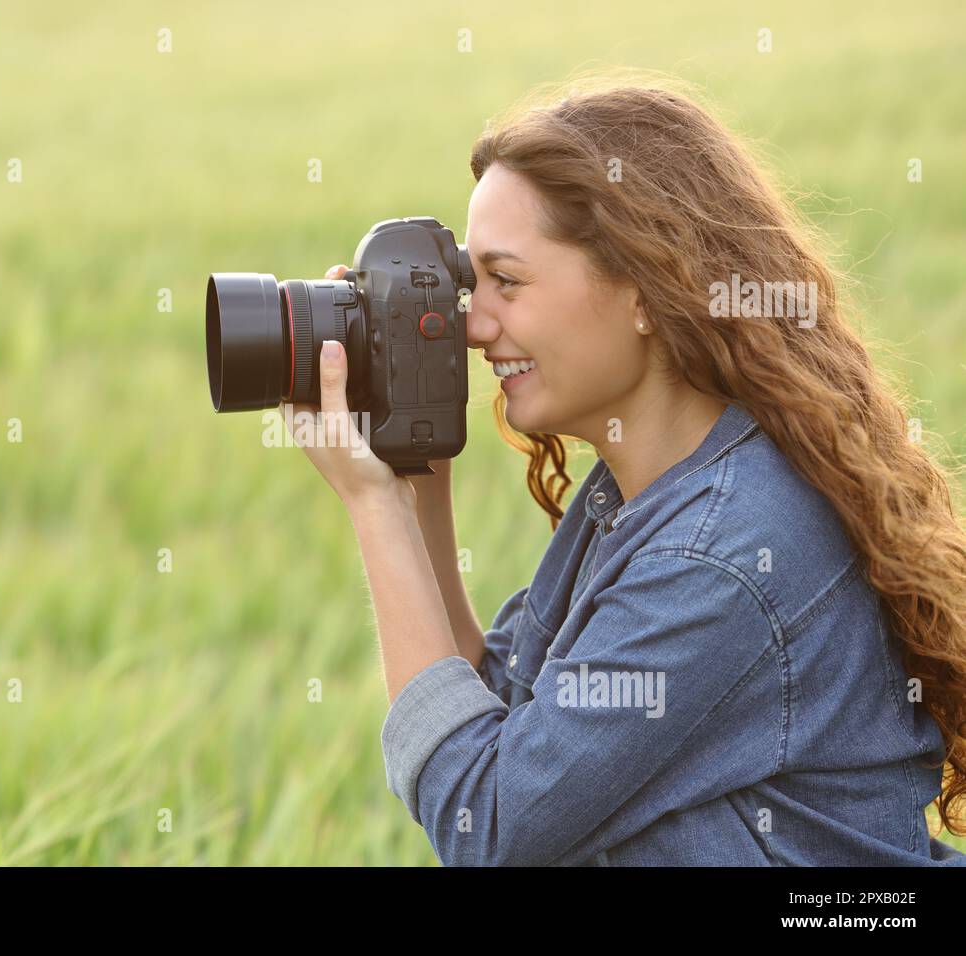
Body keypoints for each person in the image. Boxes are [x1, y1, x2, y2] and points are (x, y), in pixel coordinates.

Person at [284, 79, 966, 865]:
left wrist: (373, 509)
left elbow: (491, 821)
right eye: (472, 286)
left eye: (507, 280)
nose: (473, 324)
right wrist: (414, 470)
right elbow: (500, 710)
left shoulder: (717, 553)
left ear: (646, 288)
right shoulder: (654, 491)